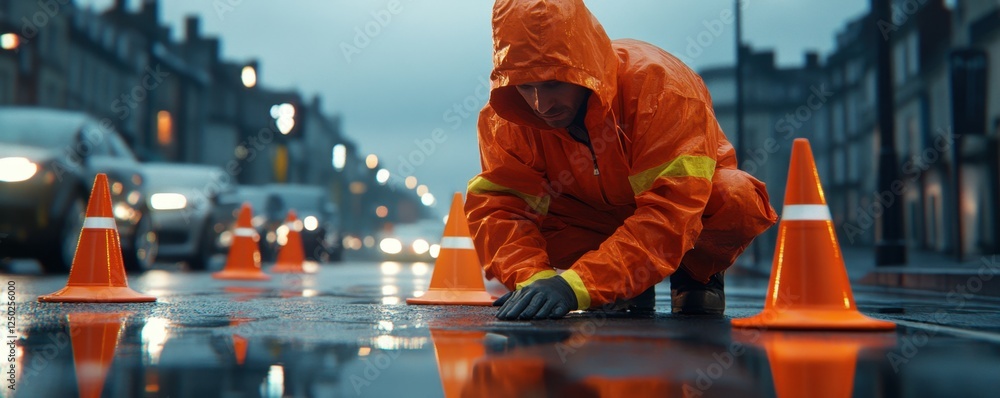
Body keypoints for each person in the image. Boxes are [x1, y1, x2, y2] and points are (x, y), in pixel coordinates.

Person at [466, 0, 778, 320]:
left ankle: (697, 273)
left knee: (733, 196)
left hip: (688, 218)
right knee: (521, 208)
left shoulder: (660, 88)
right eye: (525, 86)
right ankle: (622, 281)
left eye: (553, 84)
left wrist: (575, 287)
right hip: (595, 222)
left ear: (583, 67)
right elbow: (503, 209)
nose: (541, 105)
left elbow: (671, 211)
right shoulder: (504, 118)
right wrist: (533, 279)